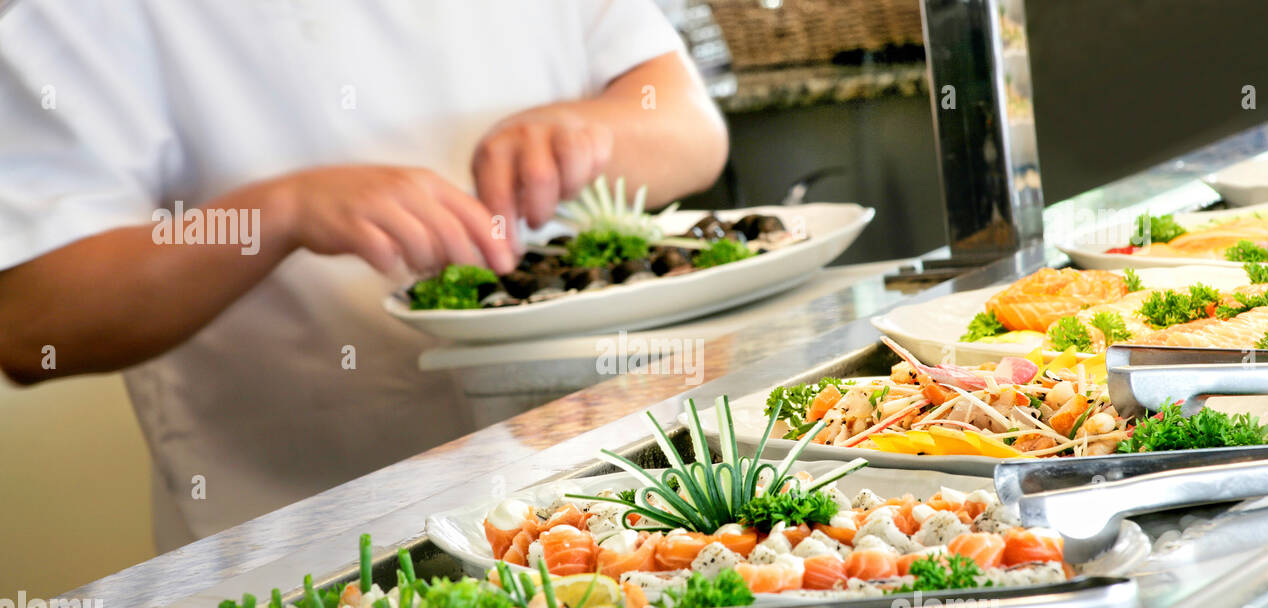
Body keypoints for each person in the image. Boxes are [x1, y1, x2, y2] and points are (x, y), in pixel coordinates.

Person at [0, 0, 727, 549]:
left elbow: (690, 126)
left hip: (620, 491)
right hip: (307, 550)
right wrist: (277, 213)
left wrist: (592, 131)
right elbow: (34, 322)